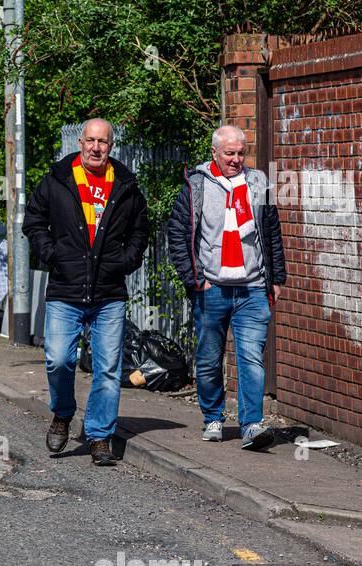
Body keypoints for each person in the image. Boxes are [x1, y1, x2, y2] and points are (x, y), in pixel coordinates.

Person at [22, 117, 150, 466]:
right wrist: (52, 254)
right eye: (91, 141)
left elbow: (142, 229)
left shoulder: (124, 183)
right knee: (59, 358)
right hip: (66, 287)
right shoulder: (58, 178)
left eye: (103, 142)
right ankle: (63, 413)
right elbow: (32, 221)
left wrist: (125, 260)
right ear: (80, 143)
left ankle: (99, 436)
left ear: (111, 145)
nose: (96, 148)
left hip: (109, 291)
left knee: (108, 367)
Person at [167, 124, 287, 451]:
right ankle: (213, 417)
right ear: (214, 153)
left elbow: (271, 231)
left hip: (252, 288)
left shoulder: (259, 182)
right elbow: (177, 235)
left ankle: (251, 425)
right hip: (212, 288)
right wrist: (194, 281)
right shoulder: (196, 186)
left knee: (251, 357)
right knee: (208, 358)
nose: (235, 159)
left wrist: (276, 278)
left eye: (240, 153)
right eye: (229, 153)